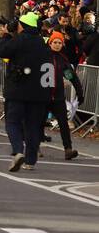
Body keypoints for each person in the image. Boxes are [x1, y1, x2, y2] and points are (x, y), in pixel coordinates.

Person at [0, 12, 52, 172]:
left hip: (18, 90)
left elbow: (3, 52)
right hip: (39, 92)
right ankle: (30, 160)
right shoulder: (43, 42)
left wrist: (6, 35)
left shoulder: (19, 40)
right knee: (33, 126)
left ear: (24, 25)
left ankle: (18, 150)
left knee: (12, 122)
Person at [45, 29, 83, 161]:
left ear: (62, 44)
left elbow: (71, 77)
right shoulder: (43, 57)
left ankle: (68, 149)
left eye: (59, 42)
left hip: (58, 97)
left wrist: (79, 91)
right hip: (43, 96)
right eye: (54, 42)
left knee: (64, 124)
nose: (56, 44)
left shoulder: (63, 60)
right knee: (38, 122)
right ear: (50, 43)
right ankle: (35, 147)